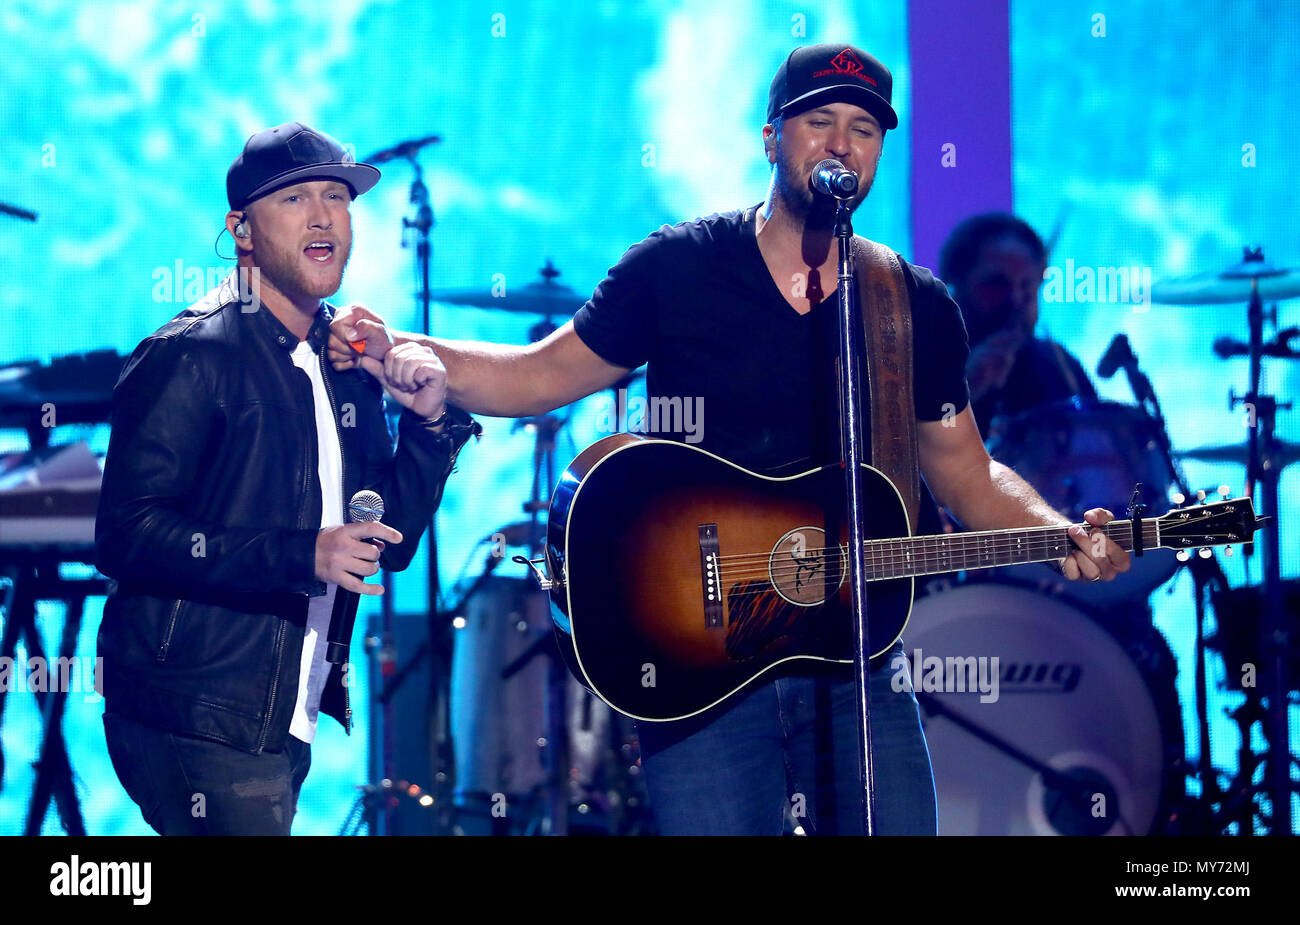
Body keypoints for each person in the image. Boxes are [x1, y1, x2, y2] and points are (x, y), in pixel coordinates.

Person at [329, 45, 1130, 836]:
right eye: (820, 121)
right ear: (772, 137)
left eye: (864, 128)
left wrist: (1056, 530)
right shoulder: (679, 267)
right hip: (697, 656)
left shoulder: (908, 302)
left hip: (852, 660)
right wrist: (406, 347)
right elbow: (543, 373)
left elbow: (968, 474)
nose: (842, 144)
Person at [95, 123, 479, 835]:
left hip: (284, 708)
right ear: (240, 230)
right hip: (196, 709)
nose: (323, 213)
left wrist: (429, 424)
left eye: (337, 195)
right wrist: (304, 553)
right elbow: (126, 534)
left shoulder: (343, 358)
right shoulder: (189, 354)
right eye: (295, 198)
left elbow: (383, 542)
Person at [938, 212, 1097, 436]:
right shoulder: (921, 361)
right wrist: (966, 390)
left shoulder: (1058, 365)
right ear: (956, 285)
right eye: (996, 285)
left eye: (1027, 286)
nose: (1014, 299)